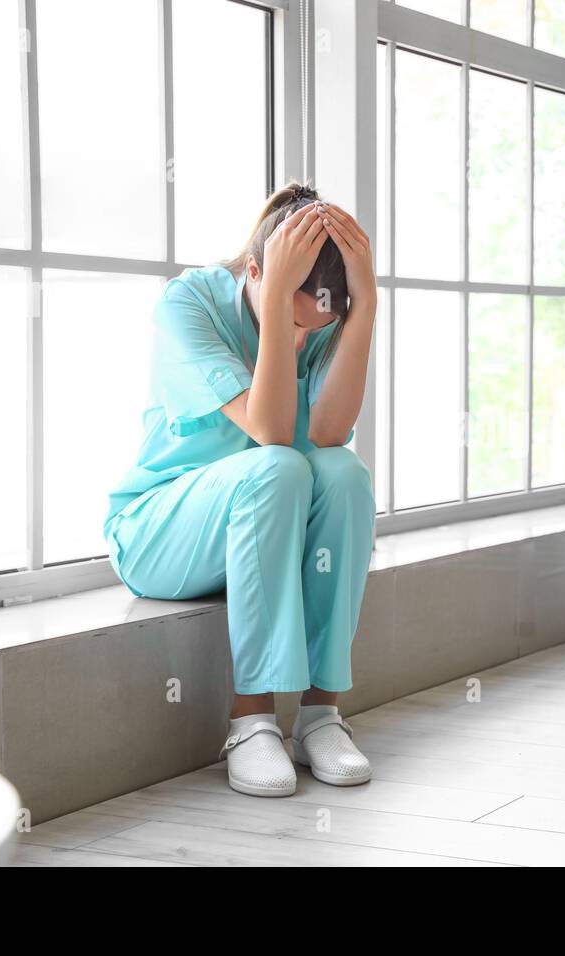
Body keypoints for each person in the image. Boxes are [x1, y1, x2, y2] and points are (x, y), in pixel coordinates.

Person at [103, 182, 376, 796]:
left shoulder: (329, 316)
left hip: (261, 523)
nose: (307, 339)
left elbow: (329, 433)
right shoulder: (189, 302)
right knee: (276, 464)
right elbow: (273, 431)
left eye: (319, 325)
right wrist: (279, 304)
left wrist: (365, 309)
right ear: (256, 271)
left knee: (343, 473)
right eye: (298, 323)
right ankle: (251, 723)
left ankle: (319, 715)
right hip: (160, 533)